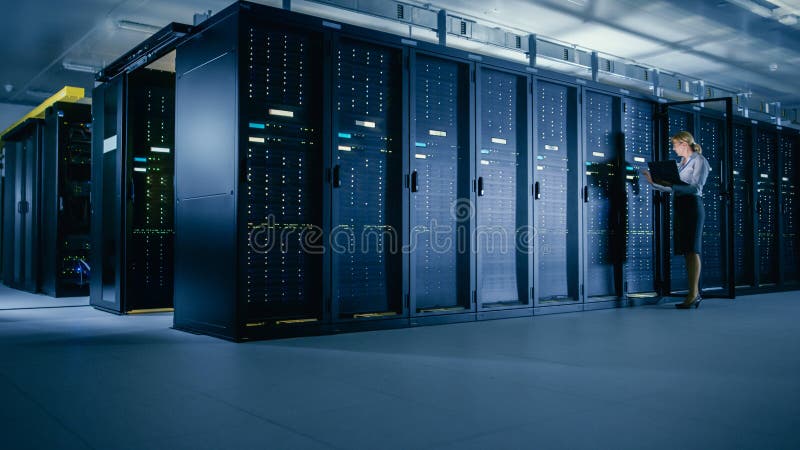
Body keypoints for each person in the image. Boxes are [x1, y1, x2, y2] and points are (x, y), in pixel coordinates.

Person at [641, 131, 710, 309]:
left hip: (693, 206)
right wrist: (654, 183)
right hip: (680, 206)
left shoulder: (700, 160)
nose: (673, 148)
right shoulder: (680, 164)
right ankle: (693, 293)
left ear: (684, 144)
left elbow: (696, 188)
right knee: (686, 251)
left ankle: (693, 294)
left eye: (675, 144)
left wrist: (672, 184)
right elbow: (673, 188)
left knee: (693, 249)